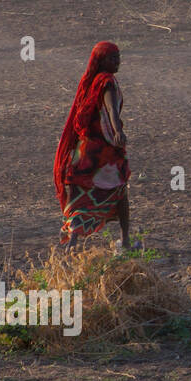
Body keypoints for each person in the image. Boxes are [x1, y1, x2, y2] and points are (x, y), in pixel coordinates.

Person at [54, 41, 133, 248]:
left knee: (80, 193)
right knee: (120, 190)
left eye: (118, 57)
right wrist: (118, 132)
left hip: (86, 148)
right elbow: (112, 111)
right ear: (101, 61)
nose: (117, 62)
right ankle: (125, 240)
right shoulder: (107, 82)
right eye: (112, 58)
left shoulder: (90, 81)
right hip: (105, 151)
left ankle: (72, 241)